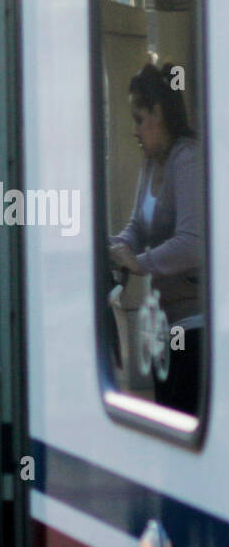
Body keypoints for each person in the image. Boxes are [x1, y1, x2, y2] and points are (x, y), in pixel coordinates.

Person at [109, 62, 205, 416]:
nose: (134, 130)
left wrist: (139, 264)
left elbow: (192, 243)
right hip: (168, 320)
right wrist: (114, 246)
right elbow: (137, 226)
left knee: (181, 408)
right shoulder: (152, 163)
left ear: (159, 113)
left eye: (138, 119)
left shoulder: (188, 159)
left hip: (196, 322)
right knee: (168, 408)